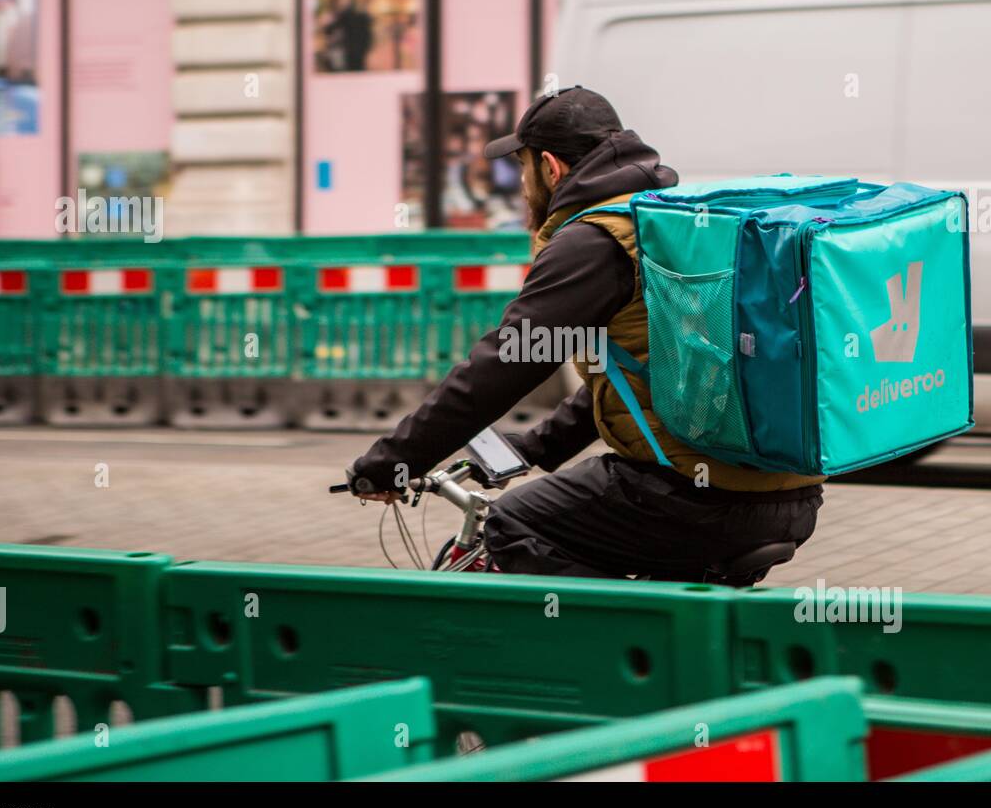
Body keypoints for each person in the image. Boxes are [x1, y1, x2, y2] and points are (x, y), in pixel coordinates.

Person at [346, 87, 824, 579]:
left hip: (692, 500)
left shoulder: (593, 241)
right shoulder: (665, 219)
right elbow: (650, 376)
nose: (523, 185)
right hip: (789, 493)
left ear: (550, 168)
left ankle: (597, 647)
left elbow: (503, 365)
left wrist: (390, 462)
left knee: (513, 526)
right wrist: (534, 446)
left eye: (524, 170)